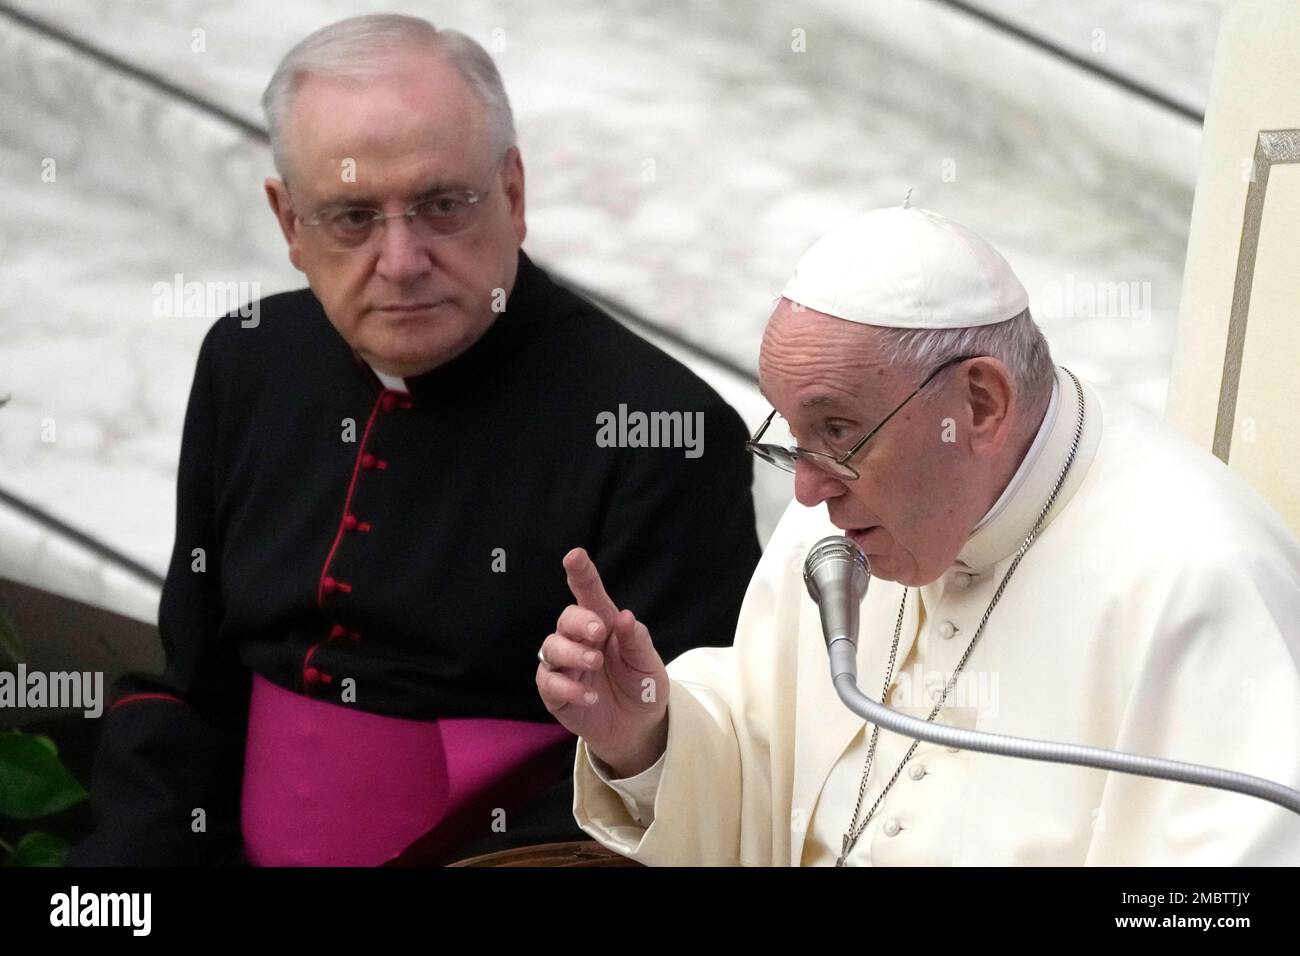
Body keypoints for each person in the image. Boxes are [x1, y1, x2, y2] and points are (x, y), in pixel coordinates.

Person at [70, 14, 760, 866]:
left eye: (442, 205)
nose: (401, 260)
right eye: (351, 217)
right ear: (290, 224)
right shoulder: (249, 359)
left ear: (512, 193)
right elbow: (195, 681)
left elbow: (684, 770)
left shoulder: (665, 432)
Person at [538, 203, 1300, 865]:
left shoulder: (1199, 578)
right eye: (791, 435)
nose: (804, 490)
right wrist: (647, 734)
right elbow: (765, 769)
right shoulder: (841, 505)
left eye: (836, 430)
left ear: (981, 405)